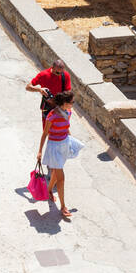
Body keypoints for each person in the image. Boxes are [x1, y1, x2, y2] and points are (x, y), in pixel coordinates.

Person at [37, 90, 83, 220]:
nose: (73, 104)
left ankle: (49, 190)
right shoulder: (52, 115)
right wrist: (40, 151)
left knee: (57, 174)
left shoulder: (68, 112)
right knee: (61, 178)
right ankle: (63, 207)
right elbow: (45, 133)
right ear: (64, 103)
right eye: (72, 102)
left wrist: (70, 140)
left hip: (64, 144)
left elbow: (66, 127)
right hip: (54, 147)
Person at [25, 58, 72, 125]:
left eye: (61, 72)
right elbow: (28, 87)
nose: (59, 74)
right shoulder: (43, 75)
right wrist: (39, 89)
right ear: (52, 68)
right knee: (48, 131)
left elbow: (68, 93)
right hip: (48, 108)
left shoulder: (65, 75)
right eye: (57, 72)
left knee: (61, 130)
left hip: (61, 107)